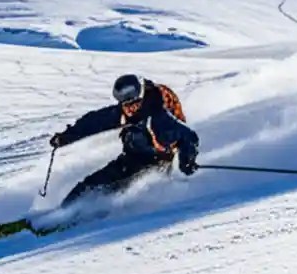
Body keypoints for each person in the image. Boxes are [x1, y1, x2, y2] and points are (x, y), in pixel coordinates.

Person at [49, 74, 199, 205]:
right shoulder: (124, 112)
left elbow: (188, 136)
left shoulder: (159, 117)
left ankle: (100, 216)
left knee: (117, 189)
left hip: (155, 162)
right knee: (89, 185)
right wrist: (66, 137)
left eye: (134, 104)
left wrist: (187, 159)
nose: (130, 108)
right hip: (131, 158)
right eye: (125, 105)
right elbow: (94, 121)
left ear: (142, 97)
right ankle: (62, 213)